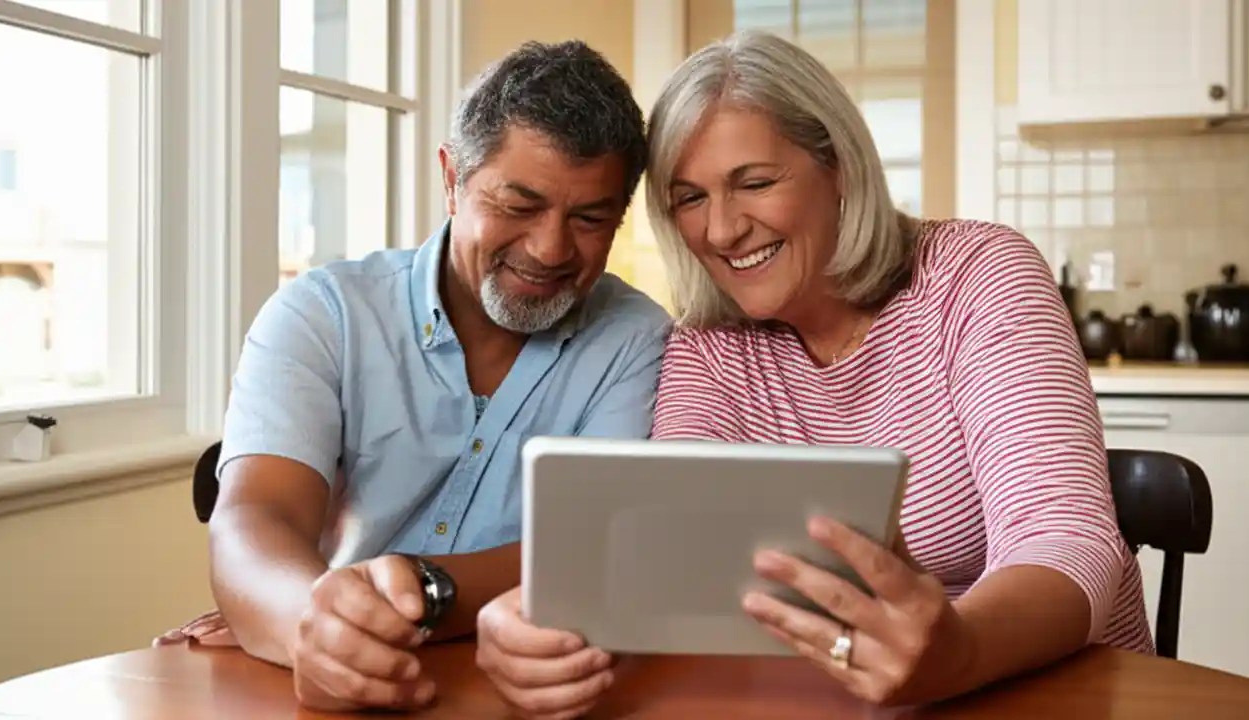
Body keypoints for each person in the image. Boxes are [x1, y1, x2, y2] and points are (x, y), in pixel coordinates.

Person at [474, 30, 1153, 717]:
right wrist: (533, 620)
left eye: (755, 183)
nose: (722, 230)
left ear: (840, 168)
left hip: (1050, 696)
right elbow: (673, 564)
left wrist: (960, 649)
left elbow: (1066, 538)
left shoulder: (977, 277)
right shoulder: (707, 349)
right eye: (690, 198)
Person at [201, 40, 668, 713]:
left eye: (590, 219)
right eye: (518, 205)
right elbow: (254, 517)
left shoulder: (638, 340)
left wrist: (410, 592)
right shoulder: (323, 315)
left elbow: (592, 553)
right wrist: (305, 622)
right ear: (452, 179)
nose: (550, 249)